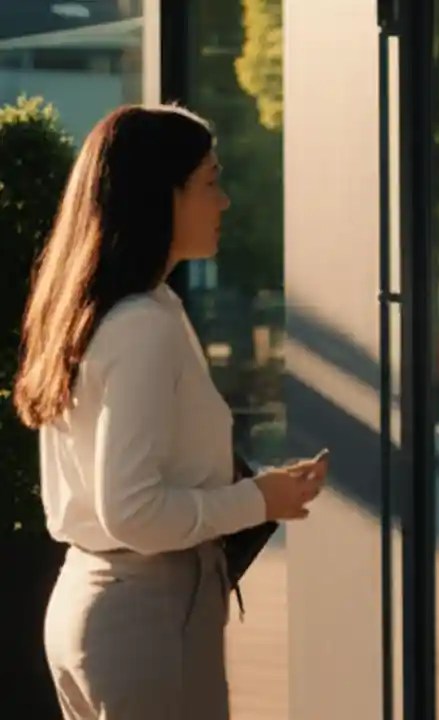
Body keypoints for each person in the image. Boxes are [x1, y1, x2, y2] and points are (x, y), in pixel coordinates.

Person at [12, 104, 327, 720]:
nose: (225, 200)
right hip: (144, 621)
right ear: (161, 196)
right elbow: (132, 511)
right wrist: (260, 501)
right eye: (209, 182)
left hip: (106, 607)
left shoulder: (119, 311)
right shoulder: (141, 326)